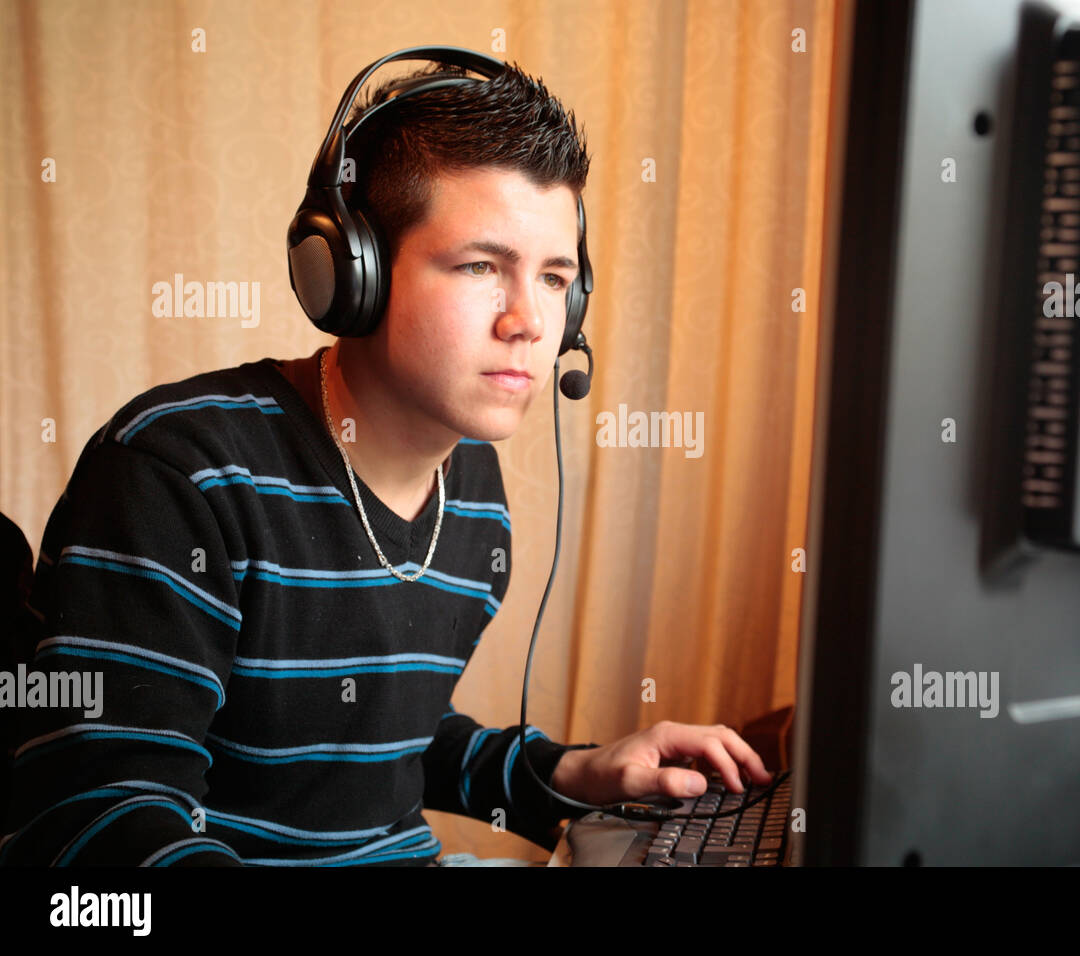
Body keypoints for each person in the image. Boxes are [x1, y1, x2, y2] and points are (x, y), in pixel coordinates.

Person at [0, 55, 769, 867]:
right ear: (346, 271)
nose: (529, 321)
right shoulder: (181, 472)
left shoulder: (472, 490)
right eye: (481, 266)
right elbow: (93, 822)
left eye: (554, 278)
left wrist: (576, 770)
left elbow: (377, 743)